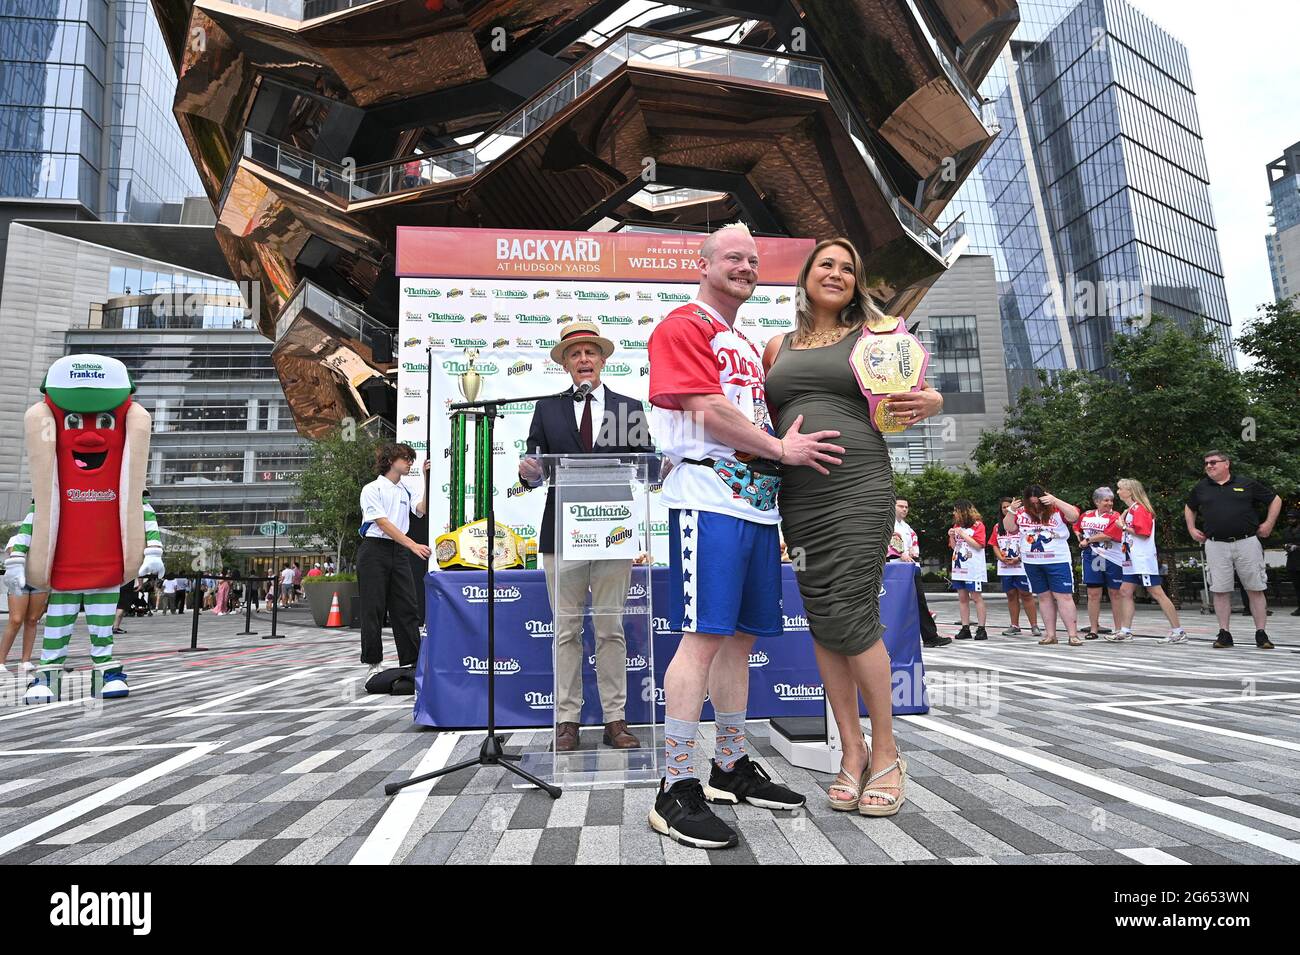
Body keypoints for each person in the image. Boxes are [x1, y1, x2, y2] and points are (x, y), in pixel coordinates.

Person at [646, 224, 844, 849]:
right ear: (703, 265)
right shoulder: (685, 325)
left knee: (738, 642)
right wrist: (781, 448)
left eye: (754, 260)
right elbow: (707, 408)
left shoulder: (746, 340)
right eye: (732, 257)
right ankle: (675, 789)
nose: (746, 266)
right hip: (706, 500)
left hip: (757, 507)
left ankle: (728, 765)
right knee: (702, 639)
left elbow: (754, 406)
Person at [765, 236, 943, 817]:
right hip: (800, 496)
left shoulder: (877, 338)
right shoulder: (776, 346)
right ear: (806, 276)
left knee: (851, 610)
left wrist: (933, 401)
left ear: (856, 282)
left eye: (848, 267)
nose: (837, 273)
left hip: (859, 485)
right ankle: (850, 751)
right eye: (826, 265)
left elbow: (911, 396)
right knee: (821, 613)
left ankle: (887, 752)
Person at [518, 320, 655, 752]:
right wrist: (527, 473)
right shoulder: (546, 408)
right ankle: (567, 721)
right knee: (566, 631)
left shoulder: (628, 407)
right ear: (565, 364)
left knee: (611, 628)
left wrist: (661, 466)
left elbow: (647, 463)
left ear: (603, 359)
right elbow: (533, 469)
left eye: (590, 353)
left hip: (612, 532)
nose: (583, 360)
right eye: (574, 355)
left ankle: (616, 720)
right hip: (560, 535)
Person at [1184, 450, 1282, 649]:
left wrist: (1269, 523)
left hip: (1247, 542)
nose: (1209, 466)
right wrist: (1191, 528)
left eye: (1213, 462)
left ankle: (1261, 634)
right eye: (1206, 463)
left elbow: (1275, 499)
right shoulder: (1202, 487)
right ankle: (1224, 633)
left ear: (1226, 463)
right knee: (1220, 590)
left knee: (1255, 588)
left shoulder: (1245, 483)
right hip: (1215, 544)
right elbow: (1189, 506)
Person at [357, 443, 430, 676]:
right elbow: (382, 523)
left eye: (411, 458)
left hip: (398, 552)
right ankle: (373, 663)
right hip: (374, 550)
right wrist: (412, 544)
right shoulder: (372, 488)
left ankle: (412, 662)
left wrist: (428, 479)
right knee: (373, 608)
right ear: (390, 460)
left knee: (407, 607)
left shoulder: (406, 489)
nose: (410, 462)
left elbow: (422, 508)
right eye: (406, 458)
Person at [1109, 478, 1186, 644]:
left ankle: (1178, 631)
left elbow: (1143, 532)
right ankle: (1125, 630)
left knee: (1157, 593)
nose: (1118, 492)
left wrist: (1122, 526)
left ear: (1130, 491)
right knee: (1125, 591)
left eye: (1120, 489)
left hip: (1142, 559)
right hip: (1131, 559)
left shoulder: (1140, 509)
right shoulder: (1130, 510)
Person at [1003, 485, 1082, 645]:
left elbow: (1074, 516)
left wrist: (1055, 500)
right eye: (1031, 503)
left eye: (1038, 503)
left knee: (1064, 596)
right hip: (1032, 561)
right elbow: (1009, 528)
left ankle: (1073, 634)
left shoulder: (1056, 509)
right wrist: (1011, 510)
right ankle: (1051, 635)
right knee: (1044, 597)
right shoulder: (1021, 512)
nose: (1035, 506)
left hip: (1057, 560)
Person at [888, 498, 950, 648]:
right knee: (896, 603)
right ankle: (897, 637)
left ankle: (930, 636)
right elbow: (889, 541)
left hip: (910, 567)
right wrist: (901, 553)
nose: (904, 509)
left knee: (919, 602)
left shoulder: (907, 527)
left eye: (906, 507)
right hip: (894, 567)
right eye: (901, 506)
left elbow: (914, 545)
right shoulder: (887, 523)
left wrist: (910, 553)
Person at [1075, 487, 1123, 640]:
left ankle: (1119, 629)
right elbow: (1077, 526)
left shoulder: (1116, 516)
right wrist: (1079, 535)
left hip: (1113, 558)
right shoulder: (1086, 515)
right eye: (1106, 500)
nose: (1110, 503)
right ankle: (1094, 628)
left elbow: (1109, 535)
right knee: (1093, 594)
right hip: (1094, 557)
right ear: (1097, 501)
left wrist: (1088, 539)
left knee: (1115, 593)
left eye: (1111, 500)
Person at [990, 497, 1038, 637]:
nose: (1006, 509)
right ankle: (1014, 625)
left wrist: (1019, 558)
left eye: (1008, 506)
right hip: (1005, 566)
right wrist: (1001, 557)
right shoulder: (998, 526)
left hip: (1021, 565)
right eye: (1004, 507)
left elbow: (1030, 541)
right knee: (1011, 595)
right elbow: (994, 544)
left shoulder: (1023, 523)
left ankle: (1034, 625)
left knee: (1026, 594)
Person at [2, 529, 47, 675]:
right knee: (15, 620)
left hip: (39, 581)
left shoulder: (45, 539)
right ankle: (1, 661)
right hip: (18, 582)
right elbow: (12, 553)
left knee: (33, 620)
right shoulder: (17, 538)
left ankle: (25, 660)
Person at [948, 499, 988, 640]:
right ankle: (965, 627)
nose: (954, 513)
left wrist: (963, 534)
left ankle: (981, 628)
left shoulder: (978, 525)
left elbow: (979, 545)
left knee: (976, 597)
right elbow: (954, 547)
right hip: (959, 567)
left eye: (956, 510)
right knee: (962, 598)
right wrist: (952, 536)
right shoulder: (957, 525)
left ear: (963, 511)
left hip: (973, 568)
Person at [1283, 510, 1300, 617]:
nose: (1290, 520)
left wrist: (1297, 547)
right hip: (1293, 562)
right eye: (1289, 518)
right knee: (1297, 586)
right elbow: (1283, 542)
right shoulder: (1286, 530)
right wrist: (1286, 546)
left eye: (1293, 518)